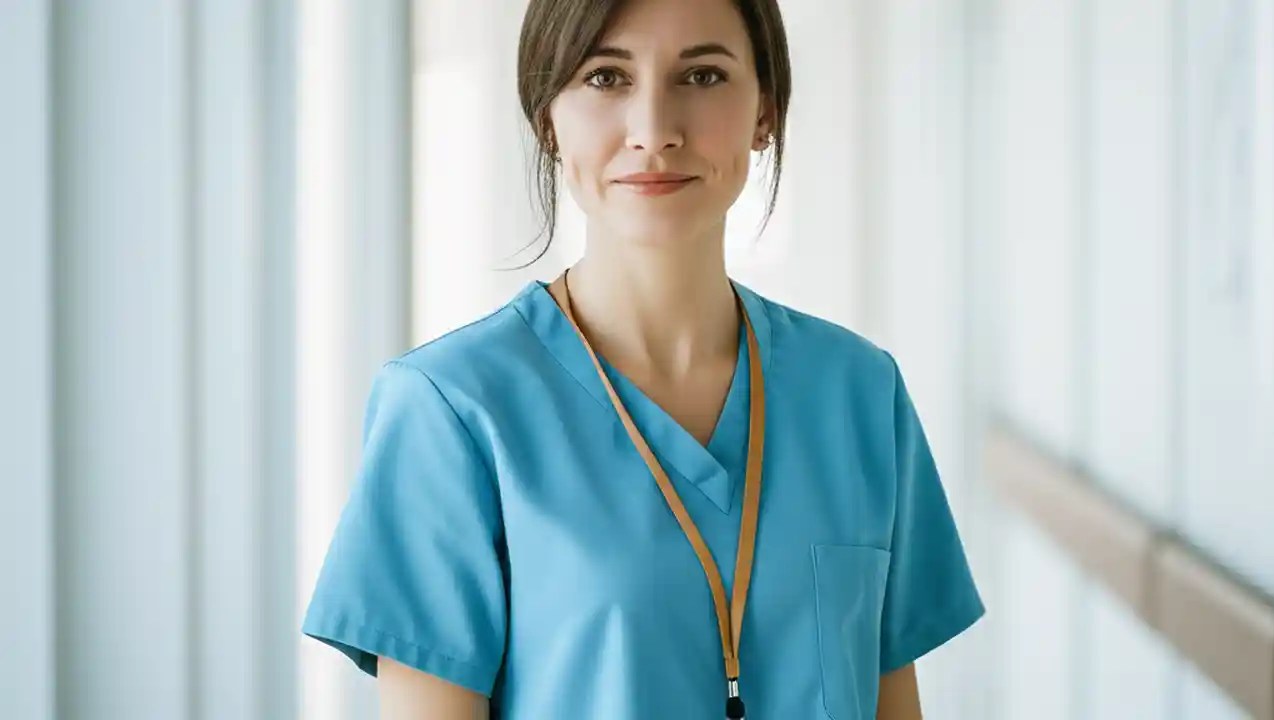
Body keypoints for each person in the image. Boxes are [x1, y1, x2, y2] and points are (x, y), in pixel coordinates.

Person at [301, 0, 985, 717]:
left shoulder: (858, 392)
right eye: (604, 77)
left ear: (765, 112)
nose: (655, 131)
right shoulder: (451, 410)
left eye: (703, 75)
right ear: (547, 120)